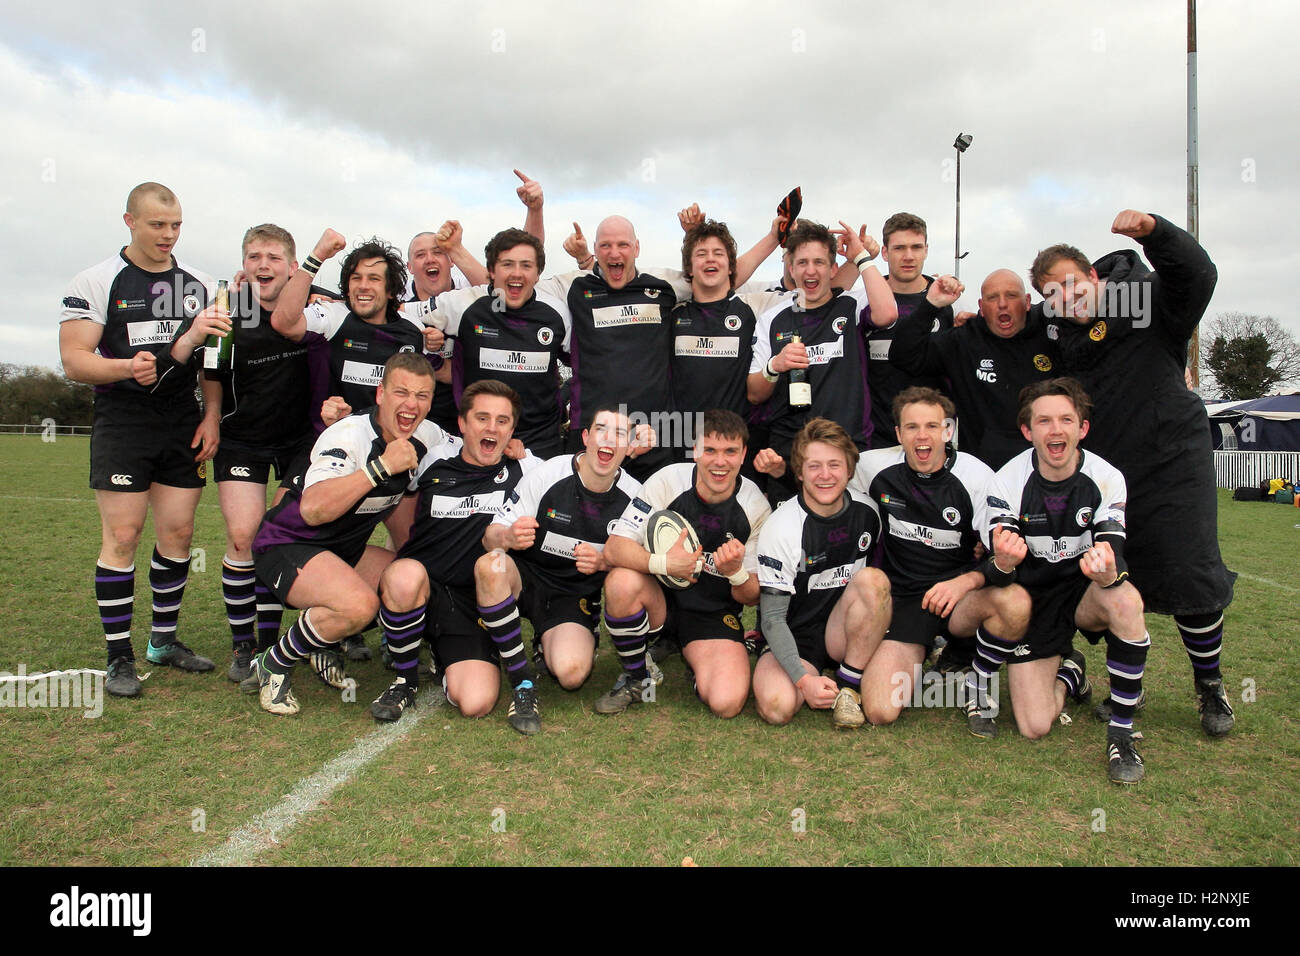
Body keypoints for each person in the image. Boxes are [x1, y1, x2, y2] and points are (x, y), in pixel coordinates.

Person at [1028, 210, 1235, 737]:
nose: (1066, 299)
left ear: (1094, 277)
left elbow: (1198, 277)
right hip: (1109, 476)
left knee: (1190, 577)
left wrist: (1156, 233)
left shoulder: (1143, 299)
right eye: (1053, 294)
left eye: (1072, 286)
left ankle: (1210, 686)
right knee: (1115, 580)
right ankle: (1129, 692)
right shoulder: (1057, 333)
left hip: (1172, 463)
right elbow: (1011, 327)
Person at [59, 181, 227, 697]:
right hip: (124, 424)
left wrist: (213, 415)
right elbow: (73, 360)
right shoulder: (95, 280)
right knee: (124, 537)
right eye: (158, 225)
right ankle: (118, 656)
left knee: (177, 536)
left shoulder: (199, 282)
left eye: (176, 225)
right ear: (129, 221)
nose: (169, 235)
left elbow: (213, 360)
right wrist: (123, 367)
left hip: (183, 423)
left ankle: (163, 641)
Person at [247, 353, 454, 716]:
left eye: (422, 396)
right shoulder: (348, 435)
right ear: (380, 394)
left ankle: (320, 635)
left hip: (344, 550)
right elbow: (313, 509)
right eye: (401, 392)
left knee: (415, 583)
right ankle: (273, 662)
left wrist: (514, 451)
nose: (411, 404)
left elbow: (468, 451)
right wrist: (380, 467)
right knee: (359, 606)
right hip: (287, 544)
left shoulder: (428, 434)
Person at [271, 229, 446, 659]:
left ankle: (395, 637)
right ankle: (275, 642)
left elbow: (433, 382)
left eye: (374, 279)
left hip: (393, 459)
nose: (362, 286)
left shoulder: (412, 334)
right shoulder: (333, 317)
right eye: (355, 278)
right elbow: (283, 321)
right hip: (328, 451)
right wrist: (316, 257)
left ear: (391, 290)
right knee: (286, 534)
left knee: (408, 546)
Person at [988, 378, 1149, 783]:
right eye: (1043, 421)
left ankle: (1122, 734)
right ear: (1028, 432)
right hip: (1035, 598)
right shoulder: (1007, 480)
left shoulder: (1106, 476)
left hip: (1083, 592)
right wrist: (1003, 557)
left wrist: (1108, 571)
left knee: (1125, 600)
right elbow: (1001, 547)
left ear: (1083, 428)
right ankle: (1070, 672)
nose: (1055, 430)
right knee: (1033, 725)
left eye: (1065, 420)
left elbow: (1112, 542)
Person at [849, 388, 1033, 731]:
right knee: (878, 710)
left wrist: (964, 580)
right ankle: (930, 659)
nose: (923, 436)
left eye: (932, 426)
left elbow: (1003, 558)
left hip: (959, 600)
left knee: (1013, 602)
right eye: (912, 427)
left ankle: (975, 678)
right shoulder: (874, 466)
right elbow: (823, 476)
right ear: (899, 433)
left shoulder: (977, 477)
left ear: (948, 431)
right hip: (905, 601)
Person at [373, 381, 543, 731]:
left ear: (513, 430)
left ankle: (454, 652)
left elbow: (580, 473)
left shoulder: (529, 470)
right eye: (482, 418)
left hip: (475, 601)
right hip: (426, 587)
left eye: (502, 421)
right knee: (404, 574)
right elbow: (383, 433)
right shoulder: (431, 459)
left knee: (476, 703)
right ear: (463, 423)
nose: (491, 428)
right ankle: (405, 679)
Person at [596, 409, 771, 718]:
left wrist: (736, 572)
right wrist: (665, 563)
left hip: (710, 613)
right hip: (660, 602)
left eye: (730, 451)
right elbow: (614, 549)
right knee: (621, 581)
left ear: (743, 454)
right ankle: (638, 677)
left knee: (726, 703)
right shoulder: (666, 480)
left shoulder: (755, 505)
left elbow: (753, 595)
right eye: (710, 450)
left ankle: (697, 664)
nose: (720, 462)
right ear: (695, 450)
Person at [208, 224, 326, 682]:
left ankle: (271, 642)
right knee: (242, 538)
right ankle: (244, 647)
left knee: (278, 538)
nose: (263, 265)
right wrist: (209, 416)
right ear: (243, 265)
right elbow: (213, 373)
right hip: (243, 439)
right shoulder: (227, 312)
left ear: (293, 267)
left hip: (302, 443)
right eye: (254, 256)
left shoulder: (317, 308)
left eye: (274, 257)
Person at [475, 407, 642, 727]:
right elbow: (489, 537)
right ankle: (523, 684)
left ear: (629, 448)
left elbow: (641, 564)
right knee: (490, 565)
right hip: (526, 579)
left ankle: (559, 637)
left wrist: (605, 561)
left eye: (620, 434)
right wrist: (508, 536)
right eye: (602, 430)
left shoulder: (635, 496)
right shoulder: (548, 474)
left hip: (571, 595)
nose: (609, 439)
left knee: (571, 674)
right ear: (586, 438)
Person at [753, 418, 890, 727]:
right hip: (796, 633)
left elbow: (880, 591)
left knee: (874, 581)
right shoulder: (782, 527)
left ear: (850, 469)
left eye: (834, 465)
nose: (825, 475)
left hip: (848, 631)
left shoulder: (868, 512)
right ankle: (817, 674)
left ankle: (849, 685)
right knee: (777, 708)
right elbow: (772, 619)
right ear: (799, 472)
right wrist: (803, 681)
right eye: (814, 466)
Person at [747, 220, 898, 475]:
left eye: (819, 262)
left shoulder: (851, 305)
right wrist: (775, 365)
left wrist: (861, 256)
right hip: (790, 454)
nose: (810, 271)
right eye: (802, 263)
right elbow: (754, 394)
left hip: (849, 448)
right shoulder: (773, 319)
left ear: (833, 268)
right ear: (791, 269)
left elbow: (888, 314)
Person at [418, 228, 573, 458]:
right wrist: (431, 353)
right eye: (507, 264)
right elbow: (401, 317)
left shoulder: (557, 312)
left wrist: (561, 402)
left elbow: (586, 363)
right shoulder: (465, 304)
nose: (517, 273)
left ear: (538, 273)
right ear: (491, 270)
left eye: (526, 265)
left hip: (542, 444)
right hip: (481, 442)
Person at [888, 270, 1056, 469]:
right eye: (992, 298)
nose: (1002, 304)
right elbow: (904, 355)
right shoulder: (964, 340)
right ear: (981, 308)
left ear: (1027, 302)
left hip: (1048, 466)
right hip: (984, 470)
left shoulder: (1050, 333)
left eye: (1011, 295)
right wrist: (930, 304)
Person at [862, 213, 955, 449]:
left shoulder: (948, 301)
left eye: (916, 247)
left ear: (926, 250)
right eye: (899, 248)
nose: (908, 256)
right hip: (878, 439)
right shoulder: (864, 298)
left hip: (931, 440)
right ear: (884, 252)